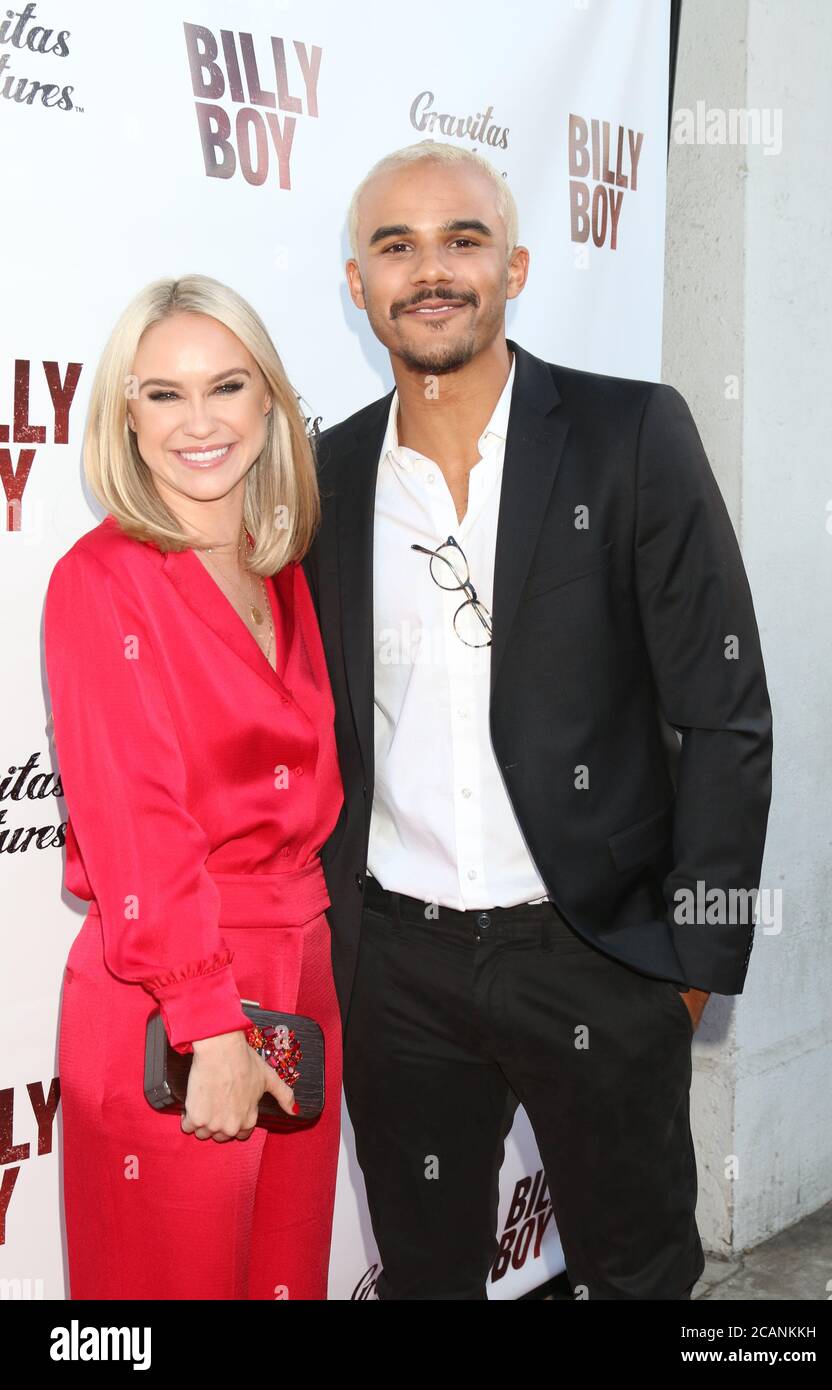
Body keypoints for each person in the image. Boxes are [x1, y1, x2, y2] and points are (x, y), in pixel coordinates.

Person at [303, 141, 773, 1300]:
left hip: (595, 955)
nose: (430, 270)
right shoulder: (328, 476)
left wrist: (687, 970)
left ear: (511, 267)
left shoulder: (628, 434)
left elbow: (723, 711)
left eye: (461, 239)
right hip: (398, 967)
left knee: (636, 1275)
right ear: (357, 283)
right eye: (396, 246)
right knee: (425, 1279)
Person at [44, 274, 344, 1300]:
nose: (199, 421)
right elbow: (135, 824)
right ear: (124, 415)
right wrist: (208, 1021)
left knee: (285, 1277)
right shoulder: (103, 580)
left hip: (300, 977)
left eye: (226, 385)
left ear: (270, 401)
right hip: (178, 999)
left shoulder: (280, 568)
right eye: (163, 393)